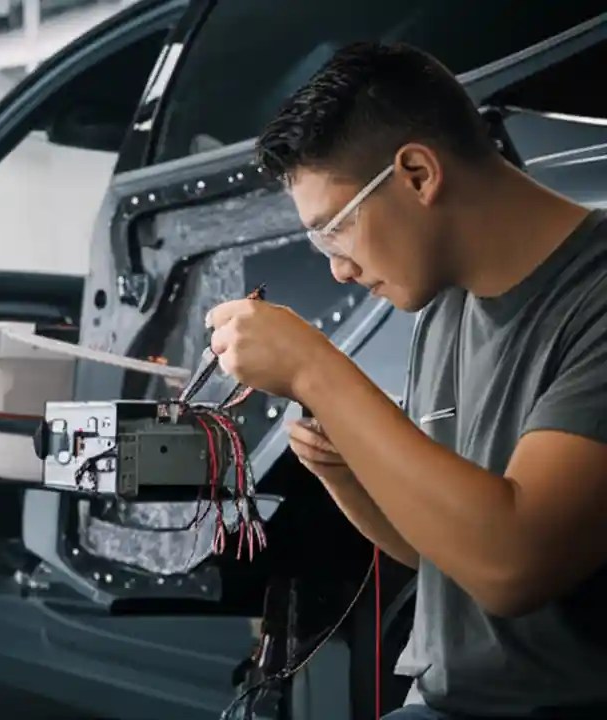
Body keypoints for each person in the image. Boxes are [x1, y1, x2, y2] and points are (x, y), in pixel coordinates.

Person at [205, 41, 607, 718]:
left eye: (334, 231)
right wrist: (348, 472)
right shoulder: (444, 308)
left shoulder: (592, 299)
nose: (337, 268)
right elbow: (444, 554)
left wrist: (316, 367)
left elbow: (511, 565)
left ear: (418, 173)